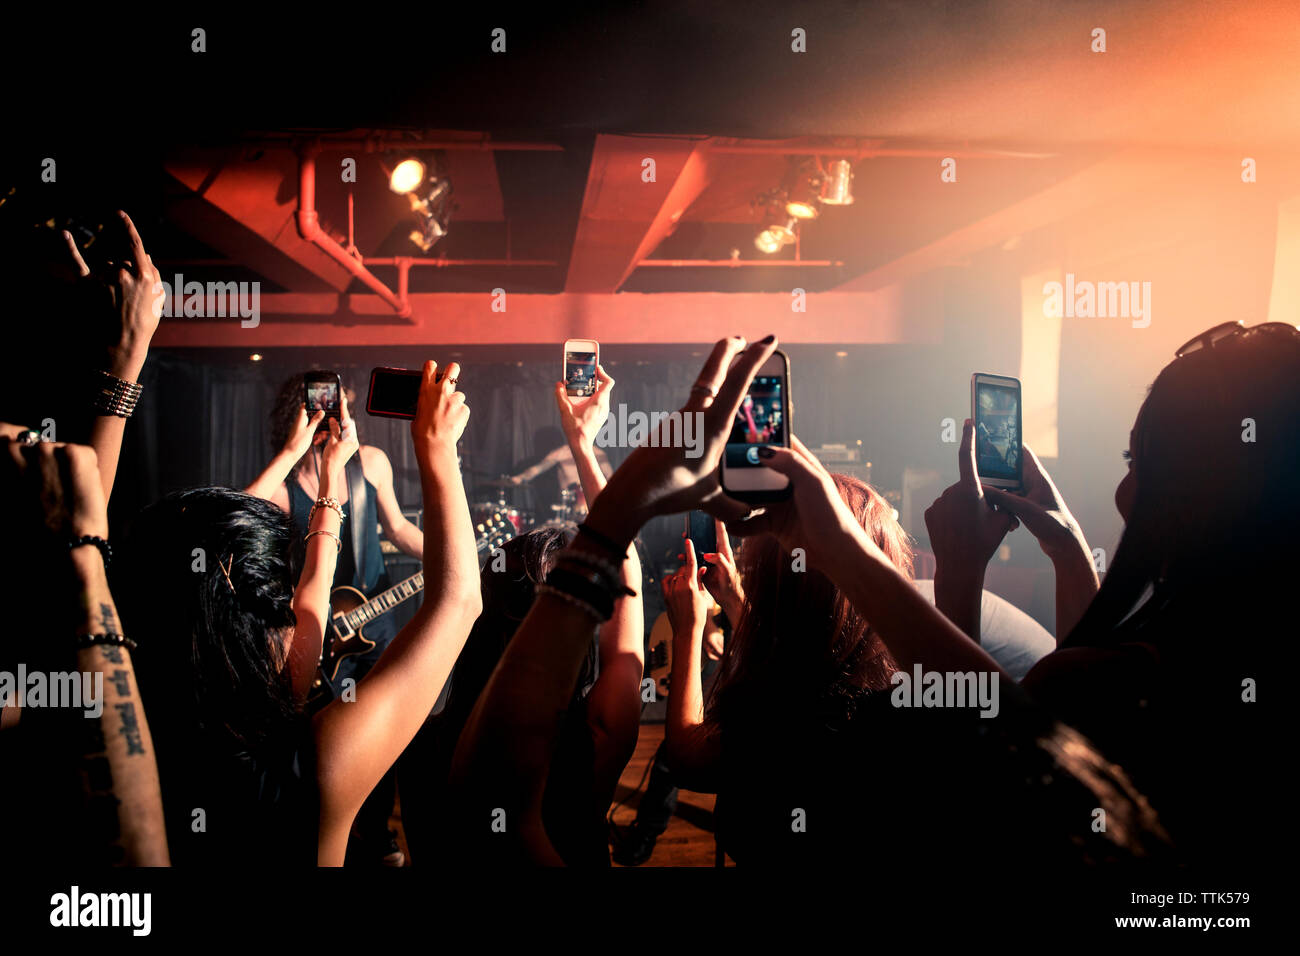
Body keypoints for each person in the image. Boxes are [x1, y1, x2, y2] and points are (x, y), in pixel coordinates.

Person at [449, 336, 1167, 870]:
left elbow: (494, 808)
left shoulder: (762, 742)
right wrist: (1020, 559)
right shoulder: (915, 741)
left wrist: (625, 516)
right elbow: (980, 715)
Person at [934, 321, 1299, 867]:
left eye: (1138, 463)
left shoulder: (1102, 687)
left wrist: (958, 577)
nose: (1123, 492)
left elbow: (969, 802)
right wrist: (1068, 549)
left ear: (1196, 487)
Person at [114, 361, 482, 866]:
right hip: (332, 633)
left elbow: (240, 551)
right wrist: (438, 450)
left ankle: (378, 837)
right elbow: (448, 599)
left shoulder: (133, 732)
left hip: (366, 618)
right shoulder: (317, 757)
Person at [408, 363, 643, 866]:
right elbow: (627, 581)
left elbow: (452, 601)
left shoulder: (424, 749)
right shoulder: (593, 742)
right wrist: (582, 442)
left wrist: (437, 451)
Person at [246, 374, 425, 864]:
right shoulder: (285, 488)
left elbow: (399, 527)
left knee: (382, 729)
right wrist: (291, 452)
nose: (339, 419)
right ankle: (327, 833)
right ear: (301, 417)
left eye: (344, 409)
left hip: (376, 619)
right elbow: (237, 520)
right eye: (326, 410)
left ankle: (378, 828)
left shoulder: (372, 464)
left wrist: (452, 552)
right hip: (316, 633)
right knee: (323, 736)